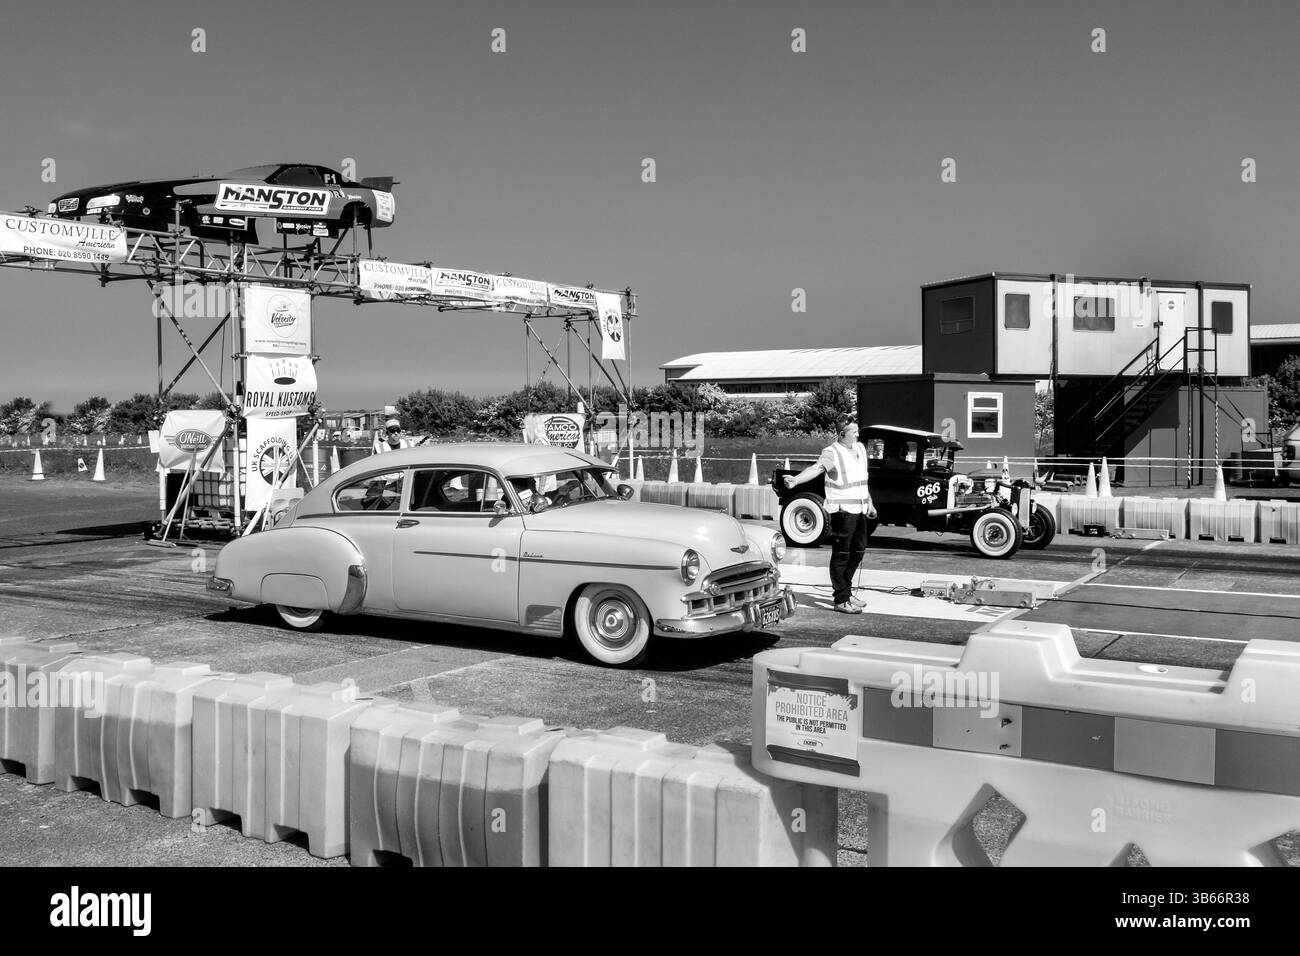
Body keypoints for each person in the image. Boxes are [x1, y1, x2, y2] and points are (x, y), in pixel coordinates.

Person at [782, 420, 876, 614]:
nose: (858, 435)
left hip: (860, 509)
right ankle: (841, 598)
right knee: (842, 554)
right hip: (842, 511)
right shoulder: (831, 452)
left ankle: (847, 592)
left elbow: (862, 481)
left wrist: (870, 503)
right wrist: (797, 479)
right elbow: (816, 469)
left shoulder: (859, 448)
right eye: (854, 432)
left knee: (858, 551)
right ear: (842, 434)